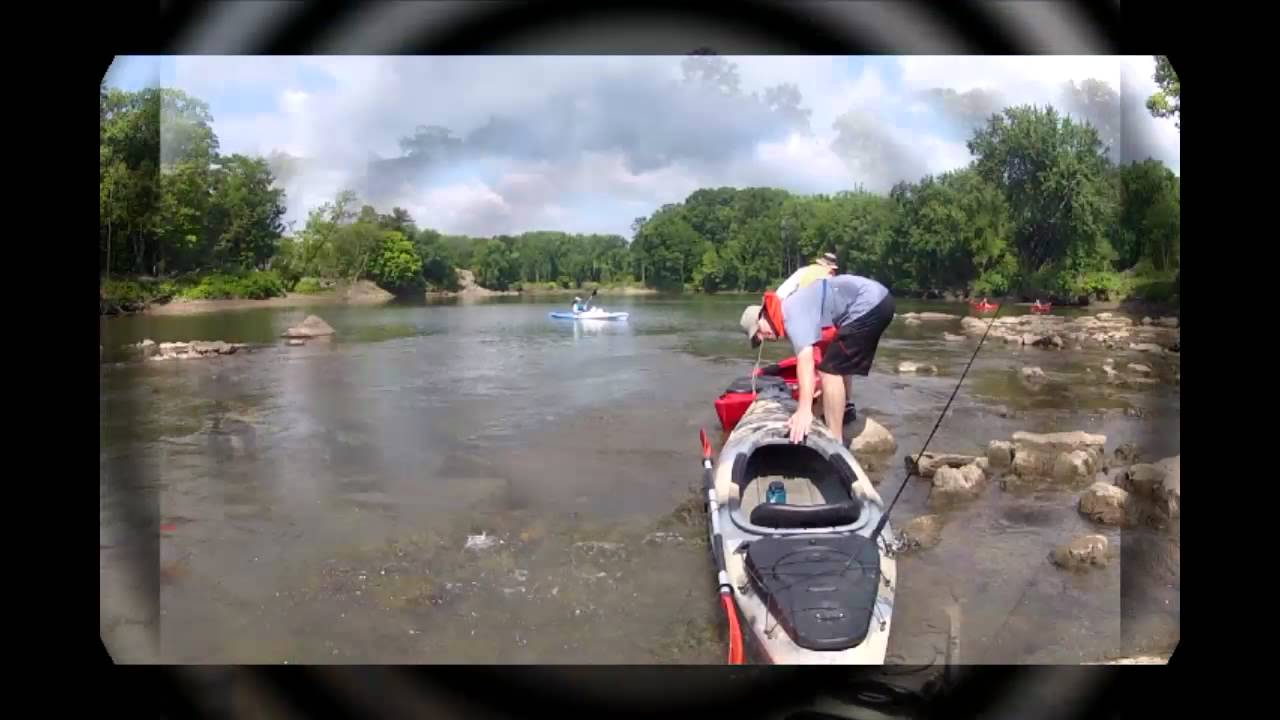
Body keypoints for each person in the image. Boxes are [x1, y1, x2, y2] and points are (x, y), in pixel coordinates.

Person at [740, 273, 894, 444]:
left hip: (869, 303)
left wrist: (804, 409)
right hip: (879, 301)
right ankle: (842, 410)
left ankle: (835, 441)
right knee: (833, 364)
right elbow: (822, 353)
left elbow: (805, 361)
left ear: (764, 313)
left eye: (758, 330)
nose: (761, 338)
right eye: (757, 339)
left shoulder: (790, 312)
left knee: (830, 371)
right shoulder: (796, 312)